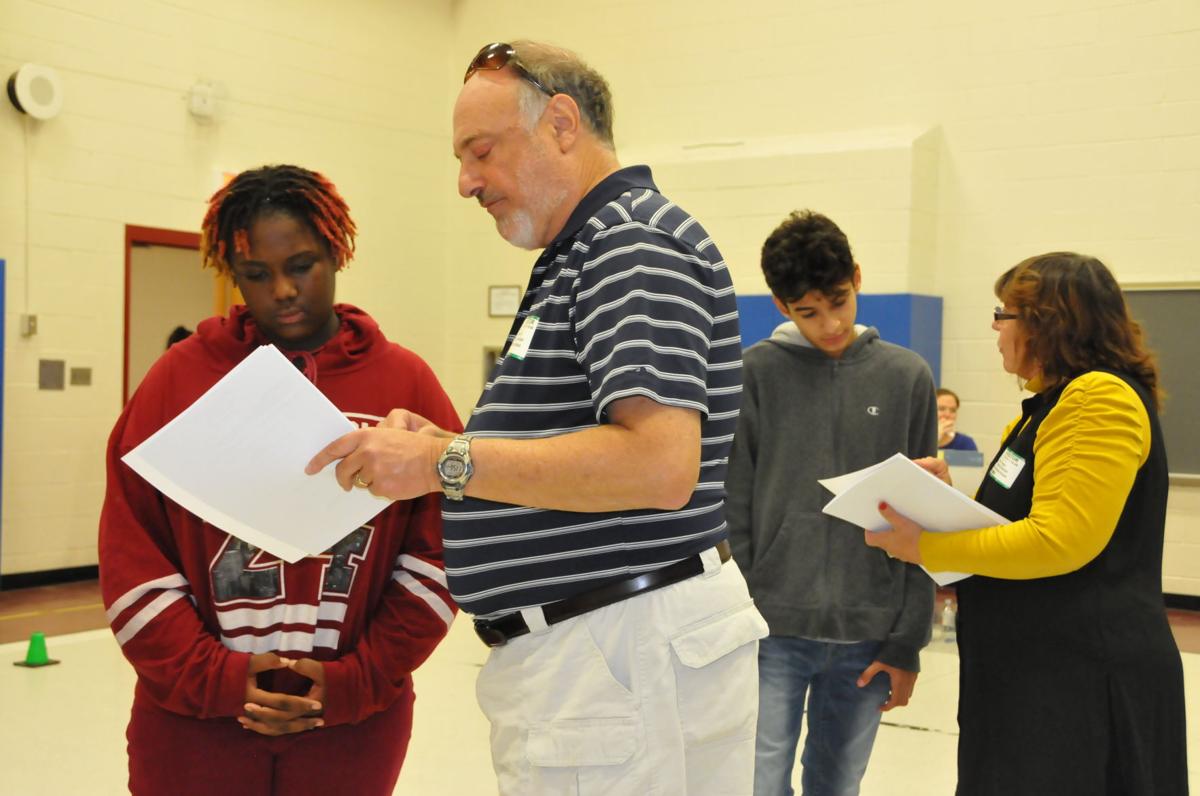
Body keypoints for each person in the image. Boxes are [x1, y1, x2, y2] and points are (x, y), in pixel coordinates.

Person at [307, 41, 768, 795]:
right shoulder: (585, 250)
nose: (465, 182)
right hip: (610, 650)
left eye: (480, 152)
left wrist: (444, 463)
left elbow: (658, 464)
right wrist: (450, 448)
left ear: (561, 123)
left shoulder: (628, 244)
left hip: (618, 649)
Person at [99, 164, 461, 795]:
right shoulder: (177, 382)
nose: (283, 291)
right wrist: (217, 677)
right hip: (193, 724)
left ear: (336, 251)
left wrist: (358, 679)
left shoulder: (406, 384)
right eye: (256, 275)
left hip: (352, 722)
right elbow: (132, 554)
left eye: (302, 265)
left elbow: (440, 553)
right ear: (232, 275)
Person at [864, 252, 1188, 795]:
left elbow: (1060, 540)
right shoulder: (1044, 408)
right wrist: (946, 502)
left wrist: (931, 547)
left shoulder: (1096, 398)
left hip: (1080, 679)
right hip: (1038, 673)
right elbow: (1024, 518)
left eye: (1004, 314)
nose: (994, 329)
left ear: (1047, 321)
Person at [726, 210, 937, 796]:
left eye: (838, 302)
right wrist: (740, 616)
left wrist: (906, 642)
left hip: (869, 632)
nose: (830, 324)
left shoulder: (907, 377)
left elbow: (923, 514)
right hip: (771, 631)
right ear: (780, 307)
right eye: (808, 312)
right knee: (759, 784)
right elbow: (732, 506)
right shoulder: (754, 375)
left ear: (858, 279)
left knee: (837, 785)